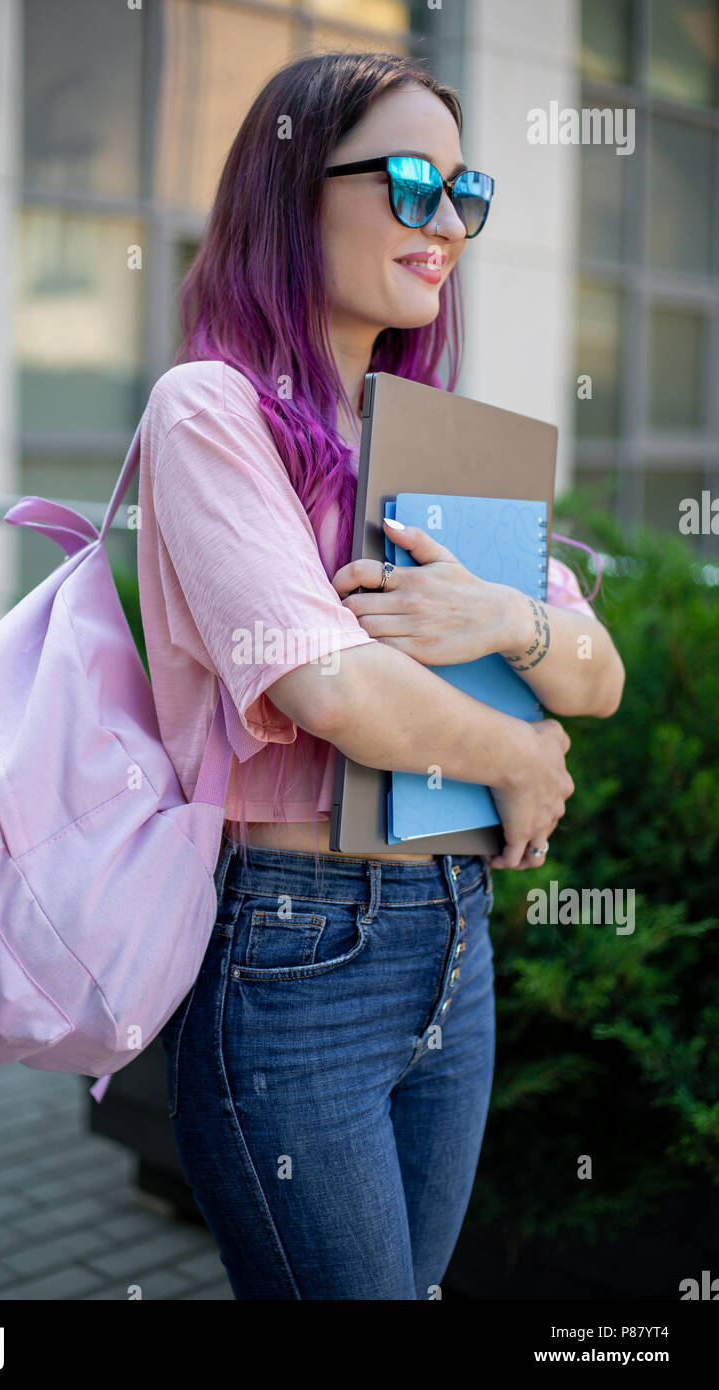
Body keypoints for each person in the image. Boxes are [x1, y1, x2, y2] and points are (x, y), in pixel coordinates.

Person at [135, 51, 625, 1300]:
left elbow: (596, 674)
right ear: (295, 189)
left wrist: (502, 615)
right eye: (413, 184)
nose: (448, 224)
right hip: (293, 957)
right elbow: (330, 687)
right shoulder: (211, 411)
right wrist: (518, 753)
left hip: (452, 947)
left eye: (468, 191)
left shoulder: (436, 434)